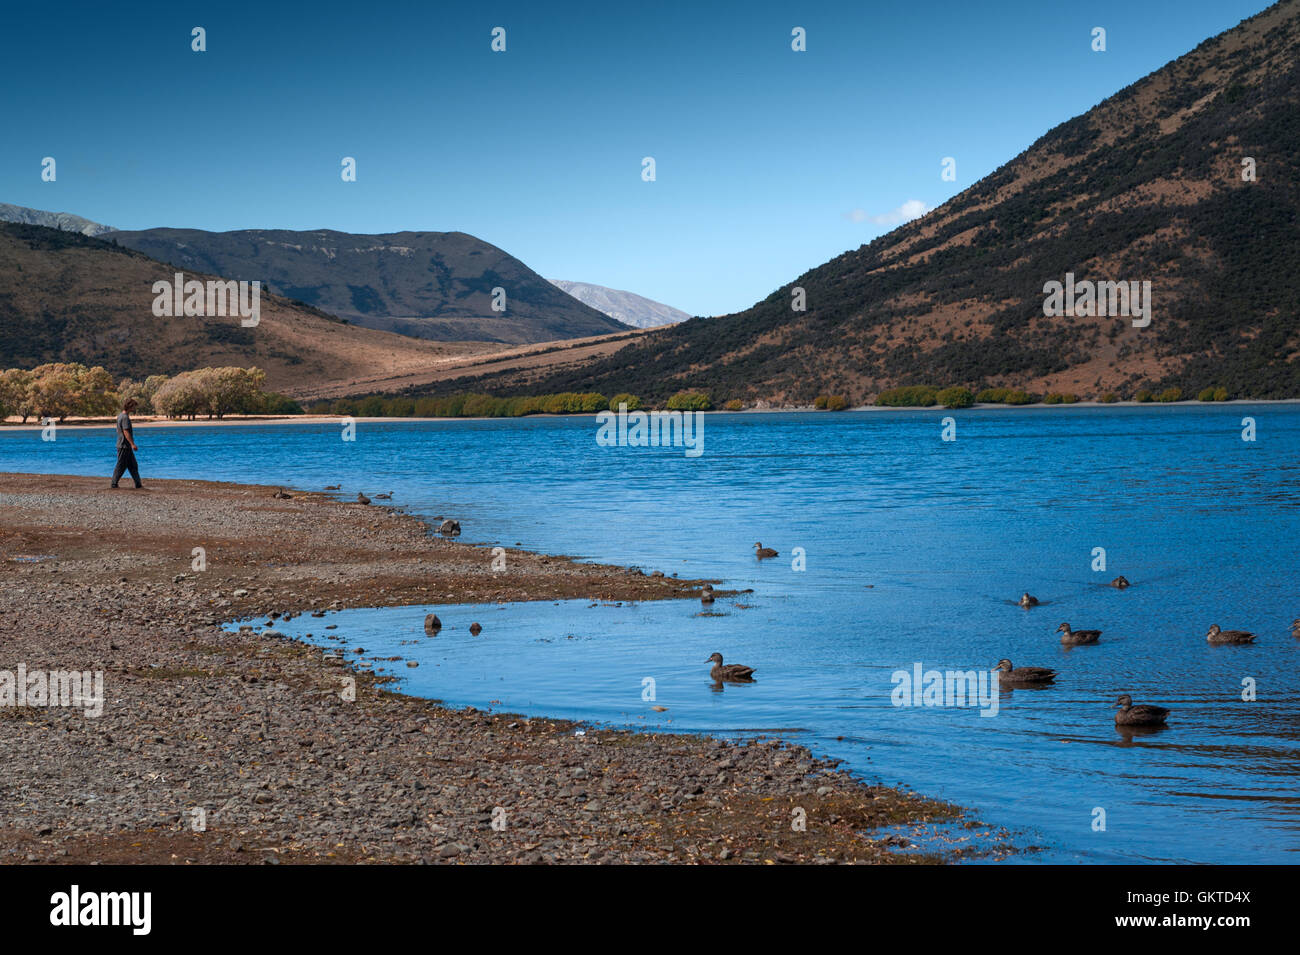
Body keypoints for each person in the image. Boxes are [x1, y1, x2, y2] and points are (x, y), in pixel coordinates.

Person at [111, 398, 144, 489]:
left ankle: (138, 484)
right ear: (130, 406)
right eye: (134, 406)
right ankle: (114, 484)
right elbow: (126, 432)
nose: (135, 408)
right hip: (124, 446)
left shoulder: (120, 416)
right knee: (121, 465)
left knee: (133, 465)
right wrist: (132, 444)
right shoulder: (125, 417)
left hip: (125, 446)